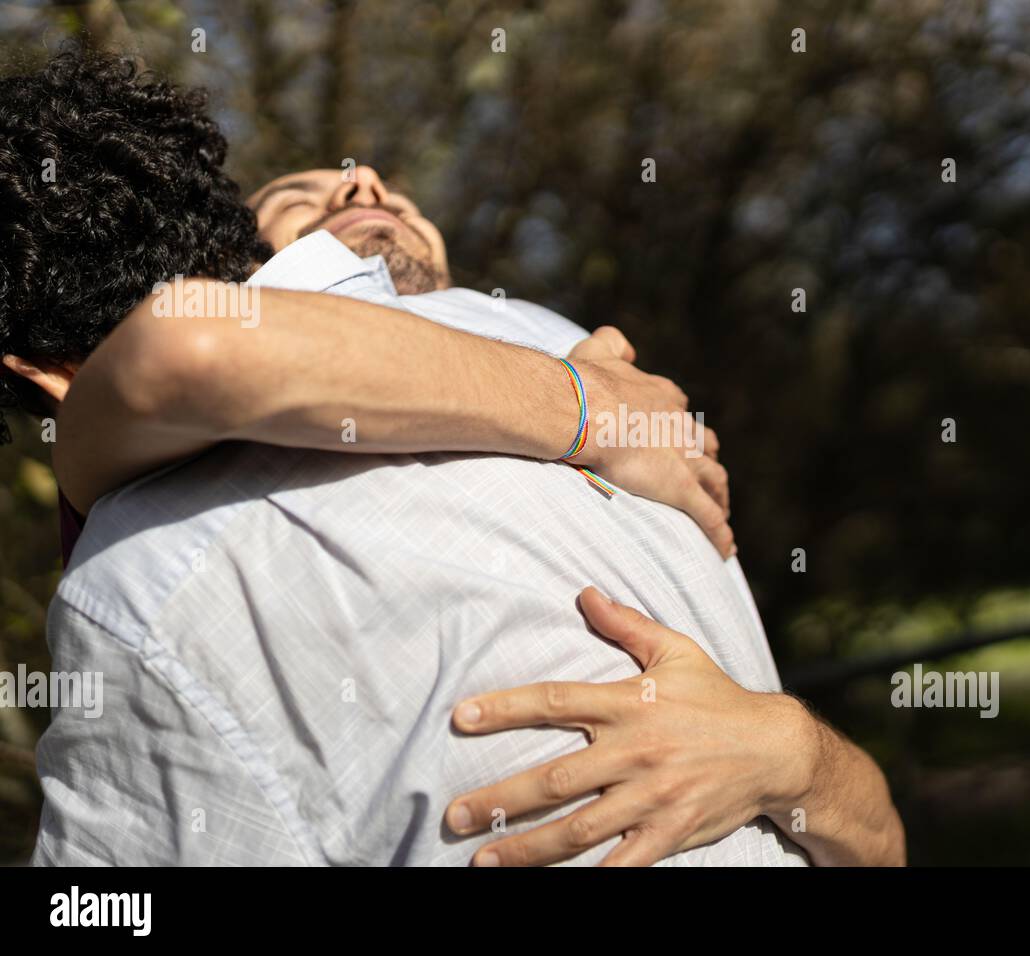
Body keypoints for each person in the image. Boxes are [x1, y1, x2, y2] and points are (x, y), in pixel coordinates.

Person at [2, 47, 904, 865]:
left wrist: (793, 752)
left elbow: (879, 838)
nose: (364, 183)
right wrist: (591, 410)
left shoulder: (585, 362)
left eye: (391, 191)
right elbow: (186, 354)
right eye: (301, 200)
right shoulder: (603, 393)